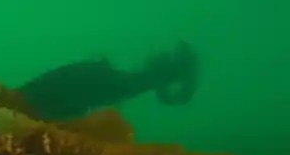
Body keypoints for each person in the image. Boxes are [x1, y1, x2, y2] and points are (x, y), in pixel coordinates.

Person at [14, 40, 199, 121]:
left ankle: (171, 68)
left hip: (85, 83)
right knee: (124, 86)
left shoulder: (22, 100)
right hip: (85, 83)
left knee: (124, 86)